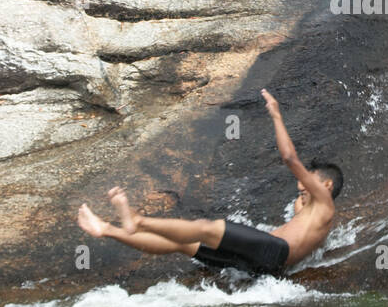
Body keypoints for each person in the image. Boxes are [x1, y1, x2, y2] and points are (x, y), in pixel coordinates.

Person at [77, 90, 342, 276]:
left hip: (274, 252)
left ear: (326, 185)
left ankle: (138, 221)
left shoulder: (324, 203)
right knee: (183, 244)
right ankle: (106, 230)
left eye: (310, 181)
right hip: (263, 264)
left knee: (206, 228)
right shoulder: (307, 210)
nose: (301, 185)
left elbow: (289, 158)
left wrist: (275, 115)